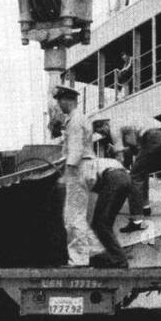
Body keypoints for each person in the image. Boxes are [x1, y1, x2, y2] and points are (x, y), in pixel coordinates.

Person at [57, 84, 100, 266]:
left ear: (68, 100)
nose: (59, 105)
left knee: (73, 217)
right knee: (76, 215)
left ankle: (80, 259)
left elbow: (75, 150)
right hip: (86, 167)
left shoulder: (75, 121)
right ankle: (95, 249)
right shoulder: (80, 119)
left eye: (60, 101)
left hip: (78, 168)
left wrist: (67, 173)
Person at [118, 115, 161, 229]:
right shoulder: (128, 122)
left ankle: (136, 221)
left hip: (153, 137)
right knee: (142, 171)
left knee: (134, 176)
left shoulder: (118, 128)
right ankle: (145, 207)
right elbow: (136, 149)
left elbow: (132, 146)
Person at [89, 157, 133, 269]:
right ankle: (112, 256)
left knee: (99, 224)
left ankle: (119, 259)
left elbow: (91, 191)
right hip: (126, 178)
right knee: (105, 224)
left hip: (113, 179)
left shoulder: (84, 167)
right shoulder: (101, 161)